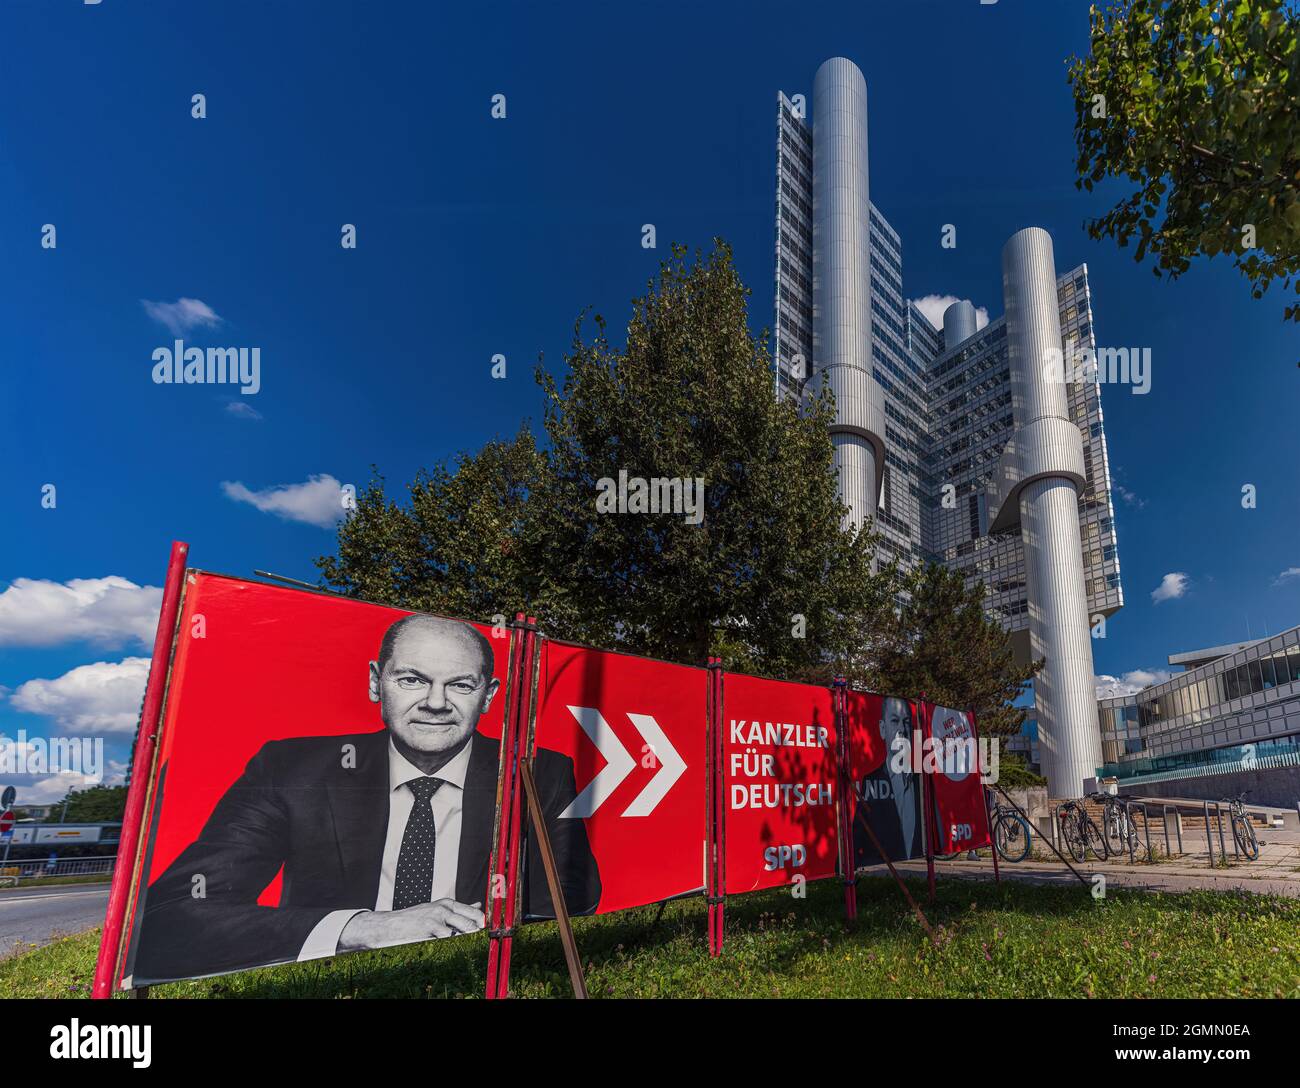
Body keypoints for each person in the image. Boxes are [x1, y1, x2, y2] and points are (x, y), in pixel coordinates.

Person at [130, 614, 599, 983]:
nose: (436, 703)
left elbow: (571, 899)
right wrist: (359, 928)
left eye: (460, 684)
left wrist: (469, 931)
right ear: (377, 682)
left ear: (489, 695)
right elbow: (172, 915)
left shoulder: (539, 772)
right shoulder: (293, 771)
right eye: (412, 679)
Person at [852, 696, 923, 865]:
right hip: (886, 878)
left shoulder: (922, 783)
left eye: (906, 722)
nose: (902, 729)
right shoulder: (870, 782)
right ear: (882, 729)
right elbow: (853, 846)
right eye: (894, 721)